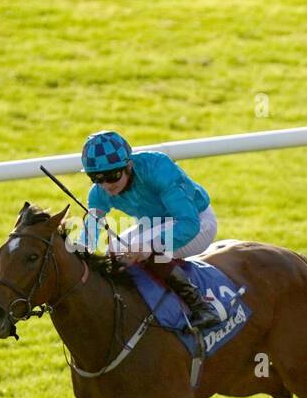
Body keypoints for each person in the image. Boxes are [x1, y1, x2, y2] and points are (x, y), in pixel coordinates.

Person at [75, 130, 221, 329]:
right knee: (115, 251)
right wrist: (82, 248)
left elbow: (189, 223)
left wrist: (150, 245)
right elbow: (91, 230)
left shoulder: (158, 168)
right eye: (96, 178)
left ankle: (201, 307)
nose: (106, 185)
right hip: (157, 225)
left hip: (198, 222)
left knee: (139, 249)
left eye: (112, 175)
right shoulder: (99, 193)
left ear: (129, 165)